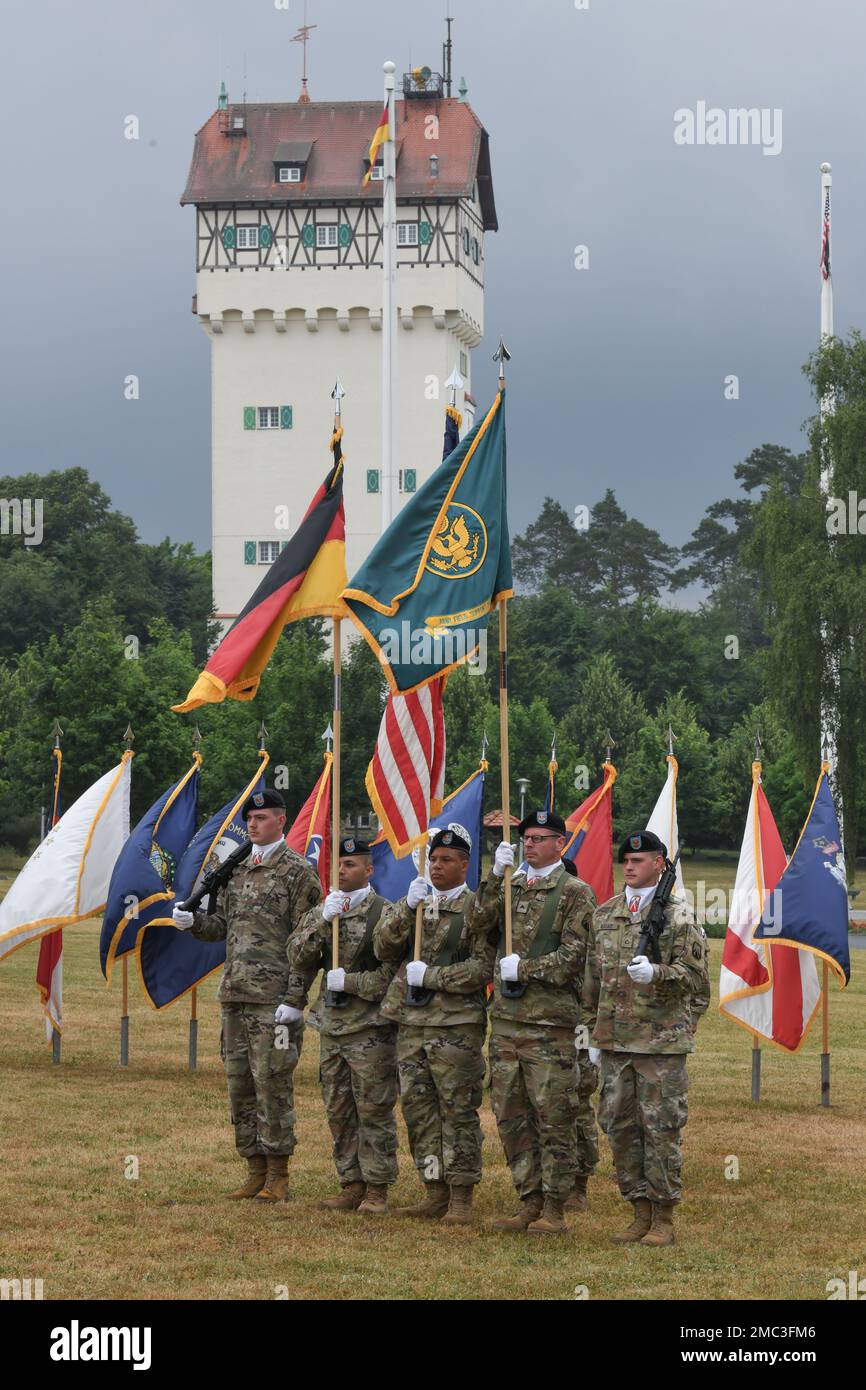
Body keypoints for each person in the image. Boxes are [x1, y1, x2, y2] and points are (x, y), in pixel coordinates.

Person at [171, 788, 322, 1203]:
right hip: (235, 993)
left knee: (272, 1082)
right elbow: (223, 925)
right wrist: (193, 922)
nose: (252, 825)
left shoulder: (297, 873)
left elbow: (308, 942)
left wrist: (295, 999)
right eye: (250, 819)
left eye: (261, 818)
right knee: (240, 1085)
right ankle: (254, 1168)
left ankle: (279, 1174)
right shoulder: (234, 868)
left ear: (281, 821)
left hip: (274, 999)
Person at [469, 810, 597, 1235]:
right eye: (526, 837)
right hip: (507, 1020)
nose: (531, 844)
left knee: (554, 1116)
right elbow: (476, 925)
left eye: (540, 837)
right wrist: (494, 876)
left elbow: (574, 959)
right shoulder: (511, 886)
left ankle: (556, 1206)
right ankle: (529, 1199)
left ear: (561, 843)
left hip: (550, 1025)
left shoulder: (576, 892)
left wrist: (522, 970)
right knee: (511, 1115)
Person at [581, 830, 710, 1247]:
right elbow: (591, 981)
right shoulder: (605, 915)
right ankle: (638, 1210)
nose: (630, 866)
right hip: (615, 1042)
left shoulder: (679, 917)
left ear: (659, 863)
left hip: (659, 1045)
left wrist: (658, 973)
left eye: (640, 860)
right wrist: (592, 1034)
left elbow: (696, 981)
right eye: (626, 860)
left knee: (661, 1129)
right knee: (619, 1127)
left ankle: (664, 1217)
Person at [372, 827, 497, 1226]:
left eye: (446, 860)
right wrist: (407, 908)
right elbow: (383, 948)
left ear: (464, 864)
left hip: (455, 1025)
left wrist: (433, 977)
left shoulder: (477, 909)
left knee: (457, 1110)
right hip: (411, 1023)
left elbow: (482, 968)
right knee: (419, 1110)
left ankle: (460, 1195)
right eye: (433, 860)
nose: (437, 866)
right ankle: (433, 1189)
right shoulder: (415, 904)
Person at [284, 837, 398, 1215]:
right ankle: (351, 1183)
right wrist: (321, 919)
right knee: (339, 1109)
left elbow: (389, 978)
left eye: (351, 864)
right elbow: (297, 956)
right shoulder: (325, 910)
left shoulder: (385, 913)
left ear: (369, 869)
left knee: (373, 1109)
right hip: (332, 1027)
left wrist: (348, 983)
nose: (342, 871)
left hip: (369, 1029)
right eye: (338, 864)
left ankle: (377, 1188)